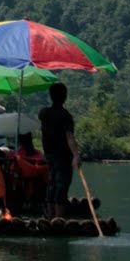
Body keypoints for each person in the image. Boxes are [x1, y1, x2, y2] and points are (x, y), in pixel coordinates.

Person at [39, 82, 81, 220]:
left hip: (49, 156)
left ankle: (50, 216)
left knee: (51, 184)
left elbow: (41, 115)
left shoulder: (44, 113)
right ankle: (59, 218)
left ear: (51, 96)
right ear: (65, 97)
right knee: (61, 186)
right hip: (63, 157)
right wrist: (76, 156)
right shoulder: (65, 116)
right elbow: (69, 136)